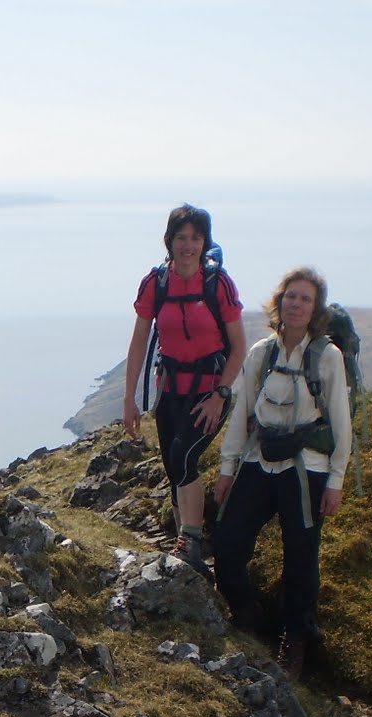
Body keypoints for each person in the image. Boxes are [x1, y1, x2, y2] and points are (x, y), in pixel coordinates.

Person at [211, 266, 352, 680]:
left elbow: (341, 424)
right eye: (291, 296)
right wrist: (226, 469)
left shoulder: (327, 357)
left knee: (301, 556)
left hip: (306, 469)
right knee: (229, 539)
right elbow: (241, 412)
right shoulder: (261, 353)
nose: (296, 304)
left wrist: (336, 481)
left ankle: (295, 638)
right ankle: (248, 614)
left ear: (315, 309)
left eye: (305, 299)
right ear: (279, 302)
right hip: (260, 462)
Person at [123, 204, 248, 576]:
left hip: (211, 391)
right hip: (170, 390)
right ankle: (185, 539)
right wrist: (129, 399)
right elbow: (138, 342)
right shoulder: (156, 283)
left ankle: (192, 543)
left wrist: (220, 395)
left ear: (205, 242)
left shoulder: (217, 284)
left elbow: (239, 347)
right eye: (181, 237)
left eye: (195, 238)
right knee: (172, 467)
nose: (188, 245)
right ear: (169, 241)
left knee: (183, 458)